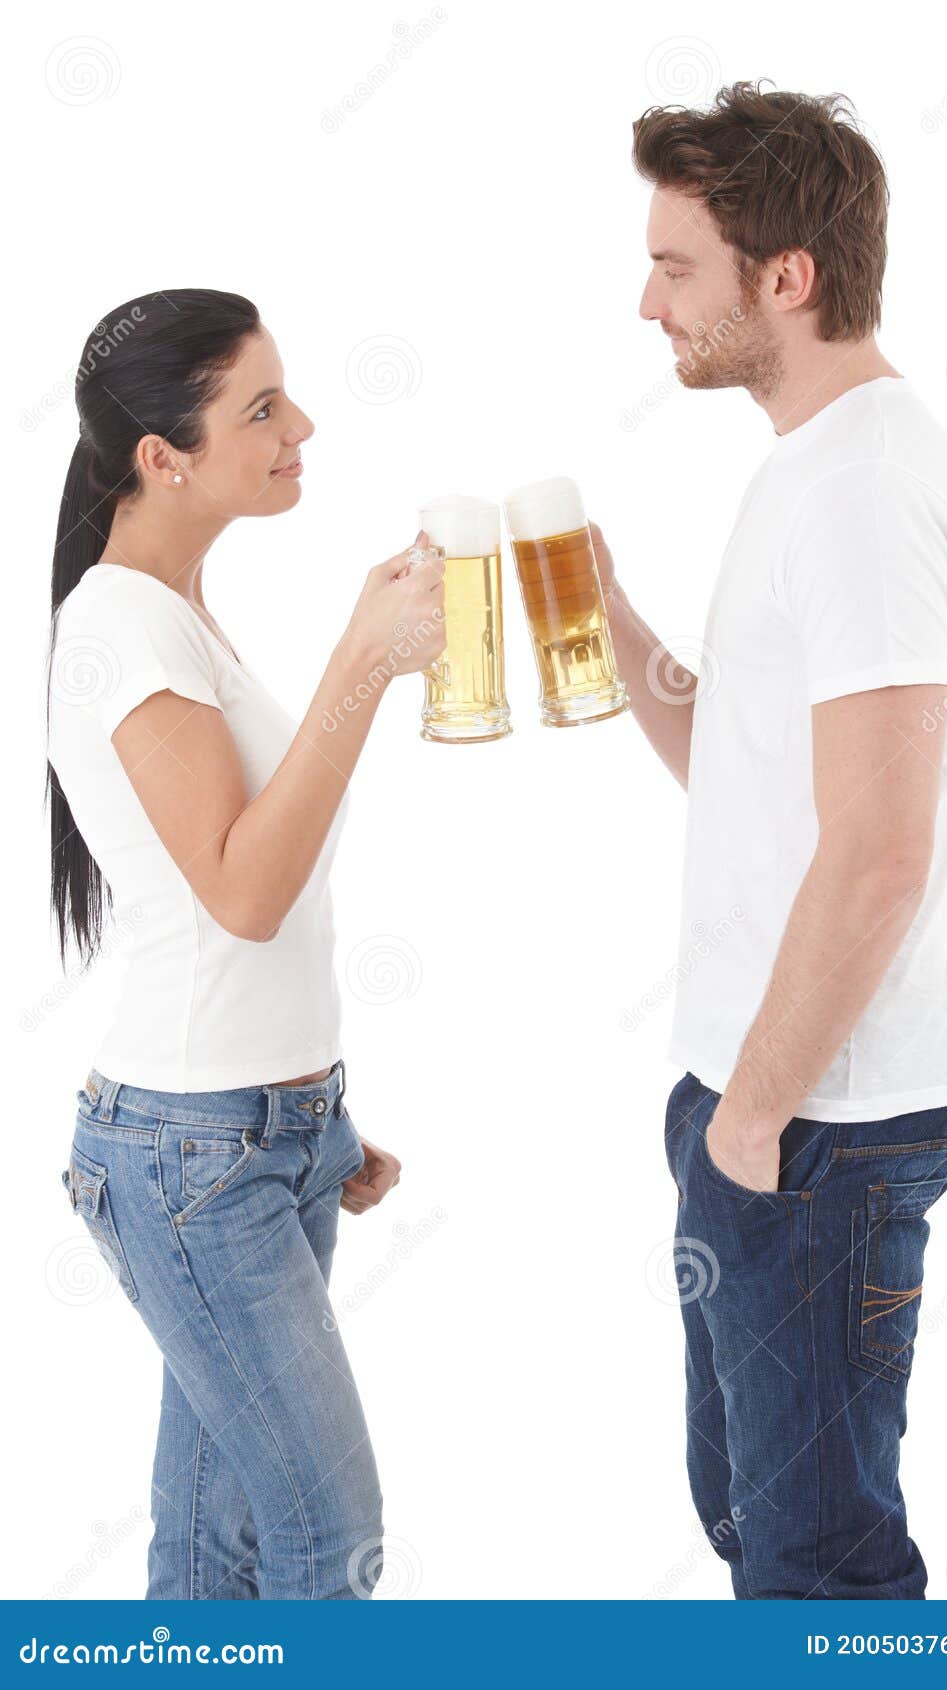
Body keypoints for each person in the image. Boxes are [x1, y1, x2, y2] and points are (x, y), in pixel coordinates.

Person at [595, 83, 947, 1599]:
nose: (647, 302)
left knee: (818, 1573)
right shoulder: (811, 468)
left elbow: (883, 847)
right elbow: (755, 773)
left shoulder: (867, 489)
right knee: (758, 1526)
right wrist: (611, 613)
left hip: (820, 1118)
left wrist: (754, 1124)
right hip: (767, 1107)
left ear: (789, 277)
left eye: (677, 266)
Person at [46, 289, 446, 1600]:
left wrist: (310, 1109)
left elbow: (236, 903)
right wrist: (365, 659)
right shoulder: (119, 628)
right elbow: (242, 891)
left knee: (218, 1558)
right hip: (191, 1157)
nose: (303, 425)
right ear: (163, 455)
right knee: (331, 1546)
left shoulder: (175, 611)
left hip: (254, 1133)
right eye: (261, 408)